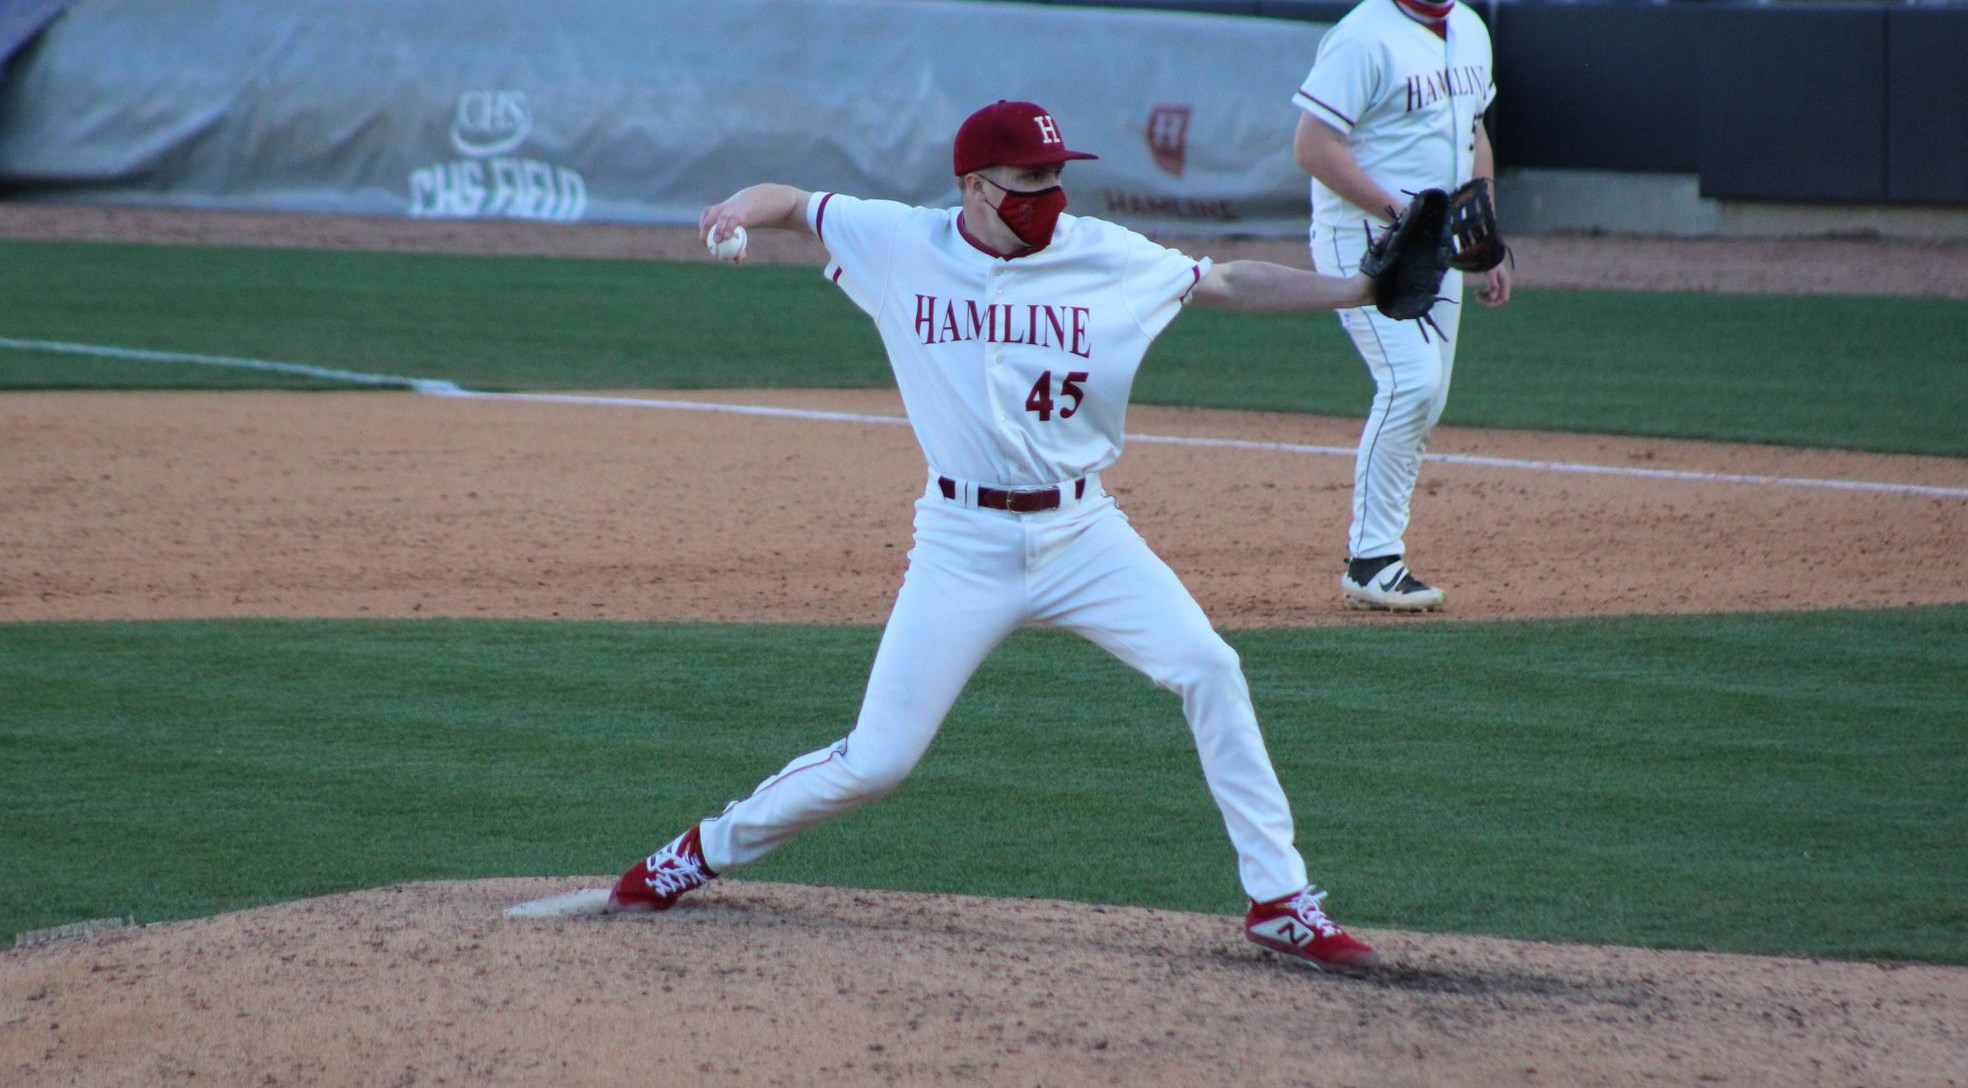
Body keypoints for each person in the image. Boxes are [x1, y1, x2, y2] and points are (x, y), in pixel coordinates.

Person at [607, 100, 1429, 974]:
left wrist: (1361, 288)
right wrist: (735, 208)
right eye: (1030, 178)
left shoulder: (1105, 254)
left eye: (1056, 175)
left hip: (1085, 534)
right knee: (878, 760)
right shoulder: (900, 243)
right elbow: (794, 201)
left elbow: (1224, 280)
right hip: (961, 544)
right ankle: (700, 851)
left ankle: (1280, 901)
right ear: (972, 186)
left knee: (1210, 667)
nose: (1050, 192)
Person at [1292, 0, 1512, 612]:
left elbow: (1475, 133)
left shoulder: (1469, 27)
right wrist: (1403, 215)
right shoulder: (1362, 36)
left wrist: (1481, 229)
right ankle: (1373, 561)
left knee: (1429, 391)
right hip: (1365, 241)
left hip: (1434, 238)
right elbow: (1312, 146)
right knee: (1411, 380)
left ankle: (1381, 556)